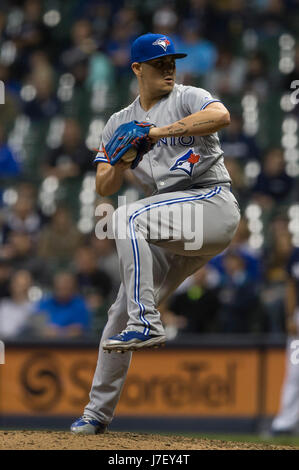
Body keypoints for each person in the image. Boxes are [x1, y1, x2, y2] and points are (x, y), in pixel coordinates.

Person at [71, 33, 240, 434]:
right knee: (119, 314)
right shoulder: (117, 122)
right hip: (173, 225)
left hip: (210, 202)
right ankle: (96, 415)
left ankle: (148, 321)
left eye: (171, 61)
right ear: (137, 69)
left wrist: (155, 135)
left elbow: (222, 116)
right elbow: (103, 185)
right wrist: (125, 159)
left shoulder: (187, 96)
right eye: (159, 62)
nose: (168, 67)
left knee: (127, 218)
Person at [271, 247, 299, 435]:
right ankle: (285, 422)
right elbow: (290, 285)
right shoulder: (296, 254)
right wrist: (290, 317)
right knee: (295, 371)